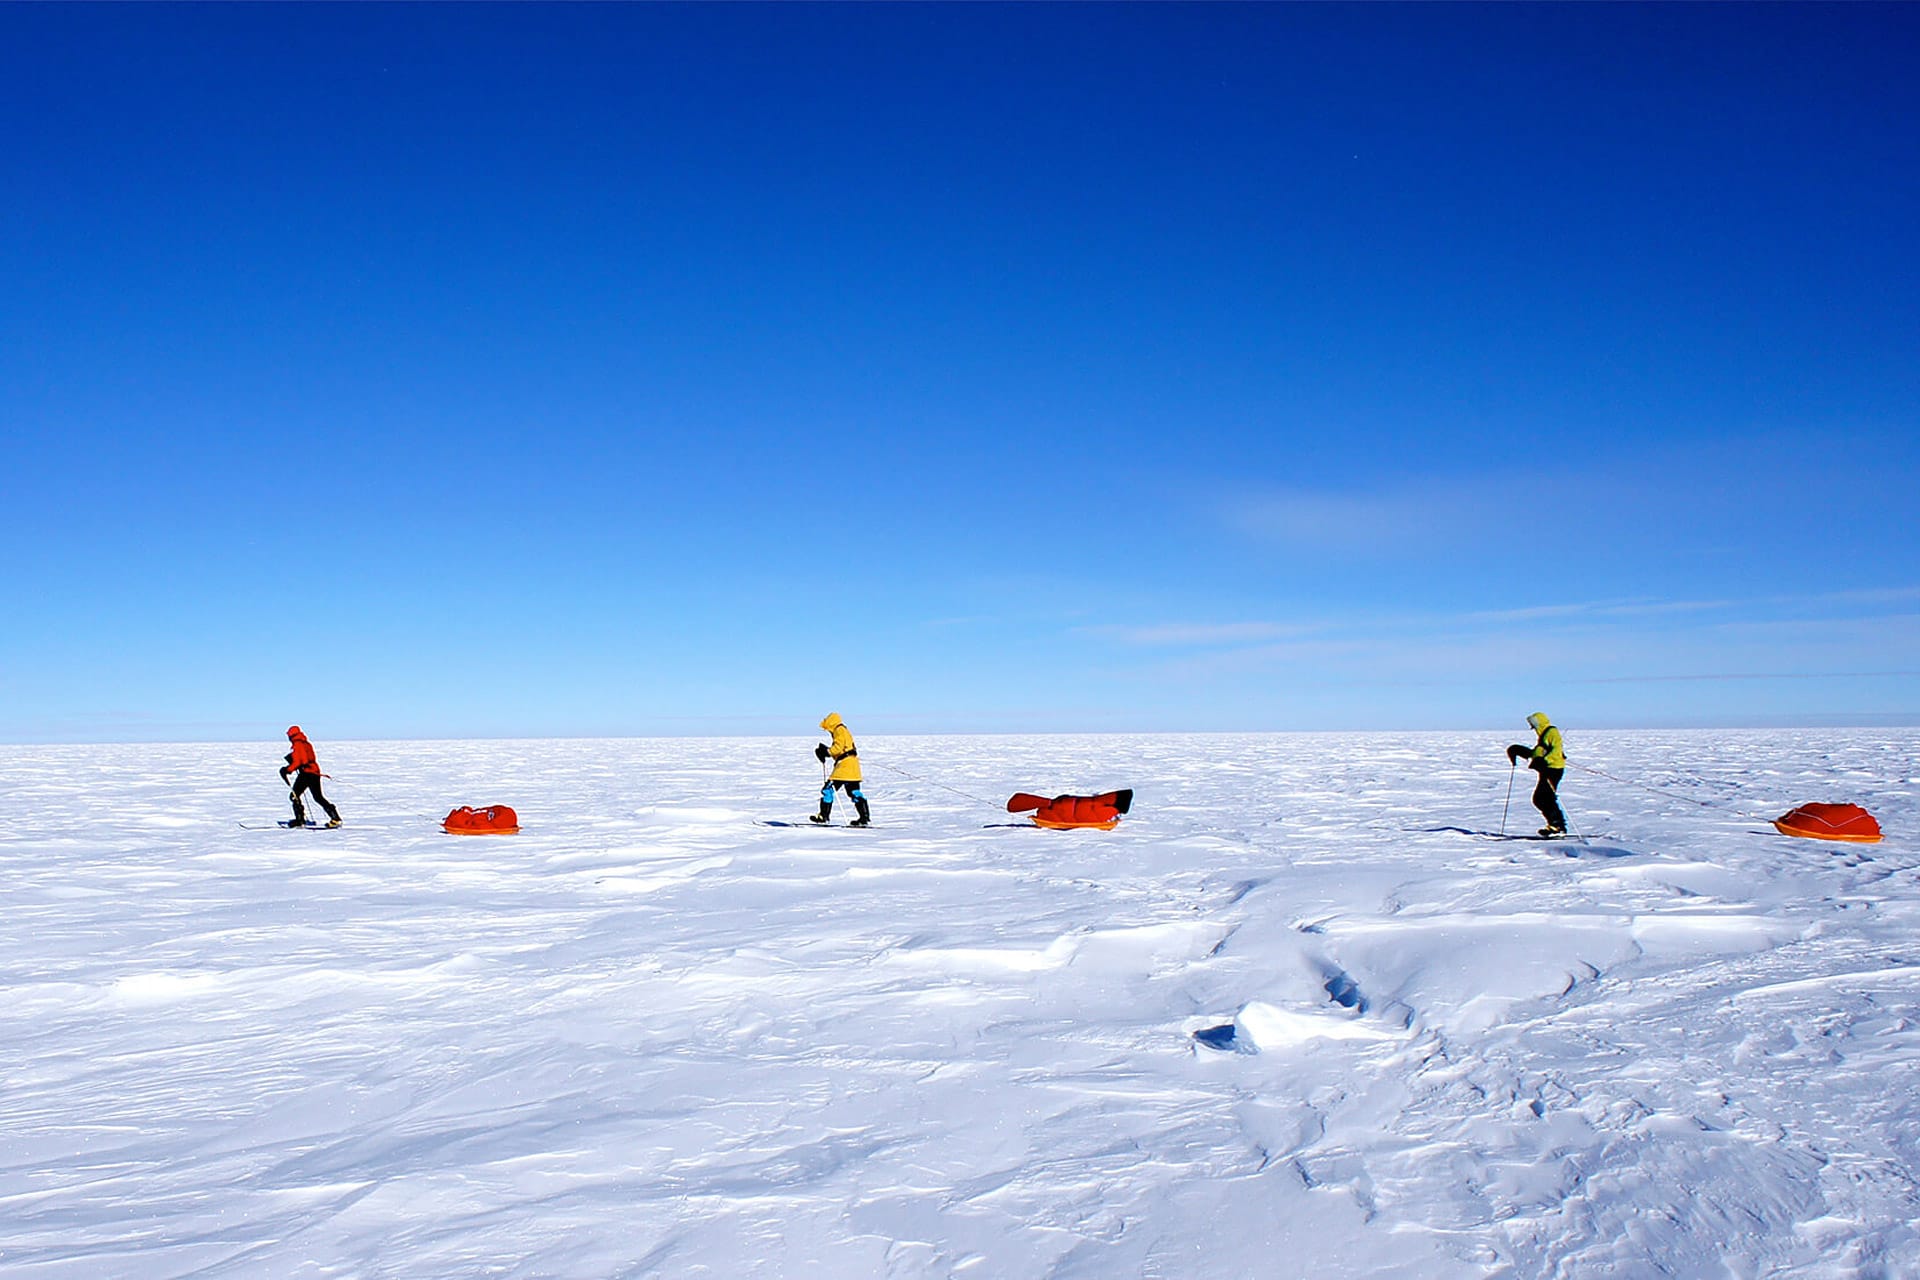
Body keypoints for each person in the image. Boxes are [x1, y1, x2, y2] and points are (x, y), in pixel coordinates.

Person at [1506, 711, 1566, 836]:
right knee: (1542, 798)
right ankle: (1556, 825)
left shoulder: (1551, 732)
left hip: (1553, 769)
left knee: (1542, 798)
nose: (1533, 728)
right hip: (1547, 769)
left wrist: (1544, 761)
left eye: (1533, 725)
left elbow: (1556, 750)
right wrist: (1519, 750)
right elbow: (1537, 753)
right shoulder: (1543, 735)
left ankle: (1557, 826)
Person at [812, 713, 871, 826]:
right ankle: (864, 818)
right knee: (854, 792)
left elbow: (838, 748)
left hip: (844, 768)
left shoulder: (839, 730)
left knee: (828, 789)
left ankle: (823, 816)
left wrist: (826, 752)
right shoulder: (844, 730)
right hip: (853, 767)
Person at [280, 725, 342, 828]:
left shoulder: (298, 744)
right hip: (315, 773)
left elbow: (299, 761)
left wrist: (287, 770)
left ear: (291, 736)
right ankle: (335, 818)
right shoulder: (306, 743)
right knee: (318, 797)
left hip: (306, 773)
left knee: (294, 796)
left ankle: (300, 820)